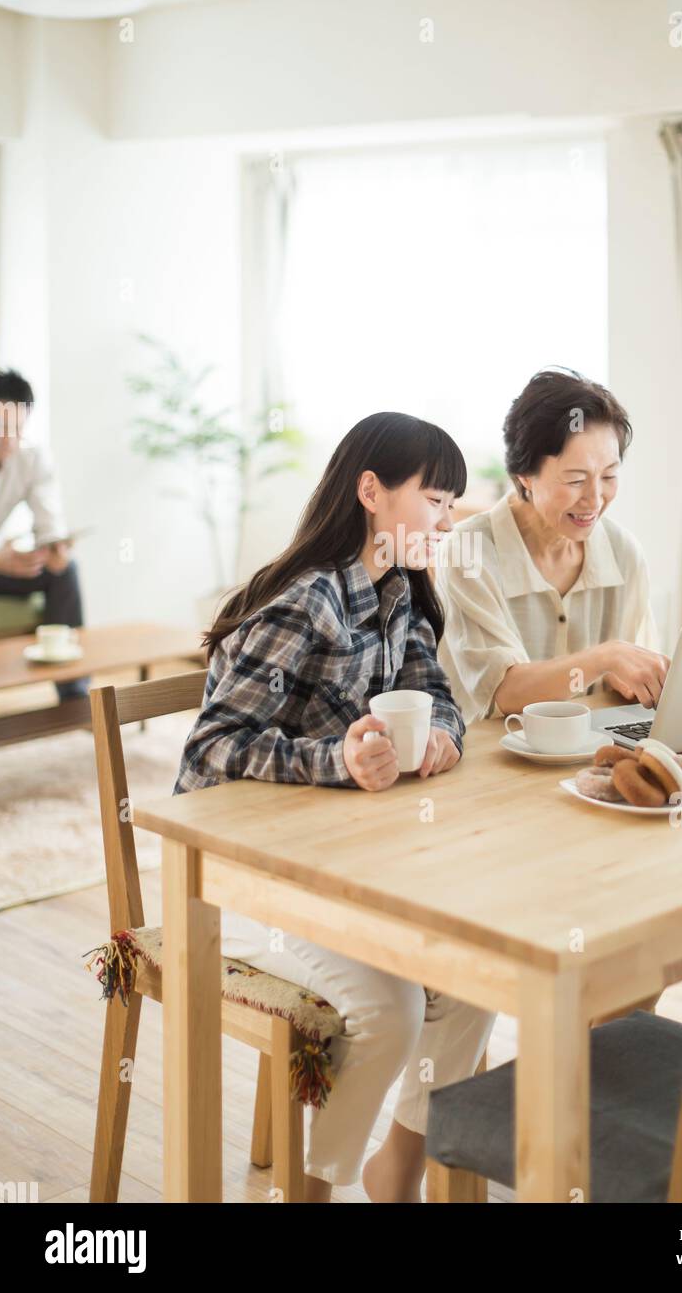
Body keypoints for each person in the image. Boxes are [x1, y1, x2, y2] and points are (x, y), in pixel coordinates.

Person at [174, 411, 495, 1202]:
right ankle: (312, 1190)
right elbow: (207, 754)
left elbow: (439, 697)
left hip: (342, 872)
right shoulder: (303, 602)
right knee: (390, 1009)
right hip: (236, 884)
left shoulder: (400, 594)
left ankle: (398, 1168)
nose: (447, 521)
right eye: (435, 500)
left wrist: (442, 737)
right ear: (371, 492)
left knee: (474, 981)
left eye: (454, 505)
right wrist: (337, 763)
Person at [434, 367, 670, 723]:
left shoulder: (623, 553)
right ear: (524, 476)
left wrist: (635, 677)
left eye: (609, 476)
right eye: (575, 479)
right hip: (489, 764)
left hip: (592, 752)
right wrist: (604, 658)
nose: (595, 499)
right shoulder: (468, 553)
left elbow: (637, 674)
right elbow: (504, 692)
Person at [0, 368, 88, 701]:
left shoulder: (30, 458)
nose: (9, 440)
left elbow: (50, 523)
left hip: (1, 565)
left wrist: (54, 549)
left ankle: (73, 690)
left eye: (17, 429)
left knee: (65, 570)